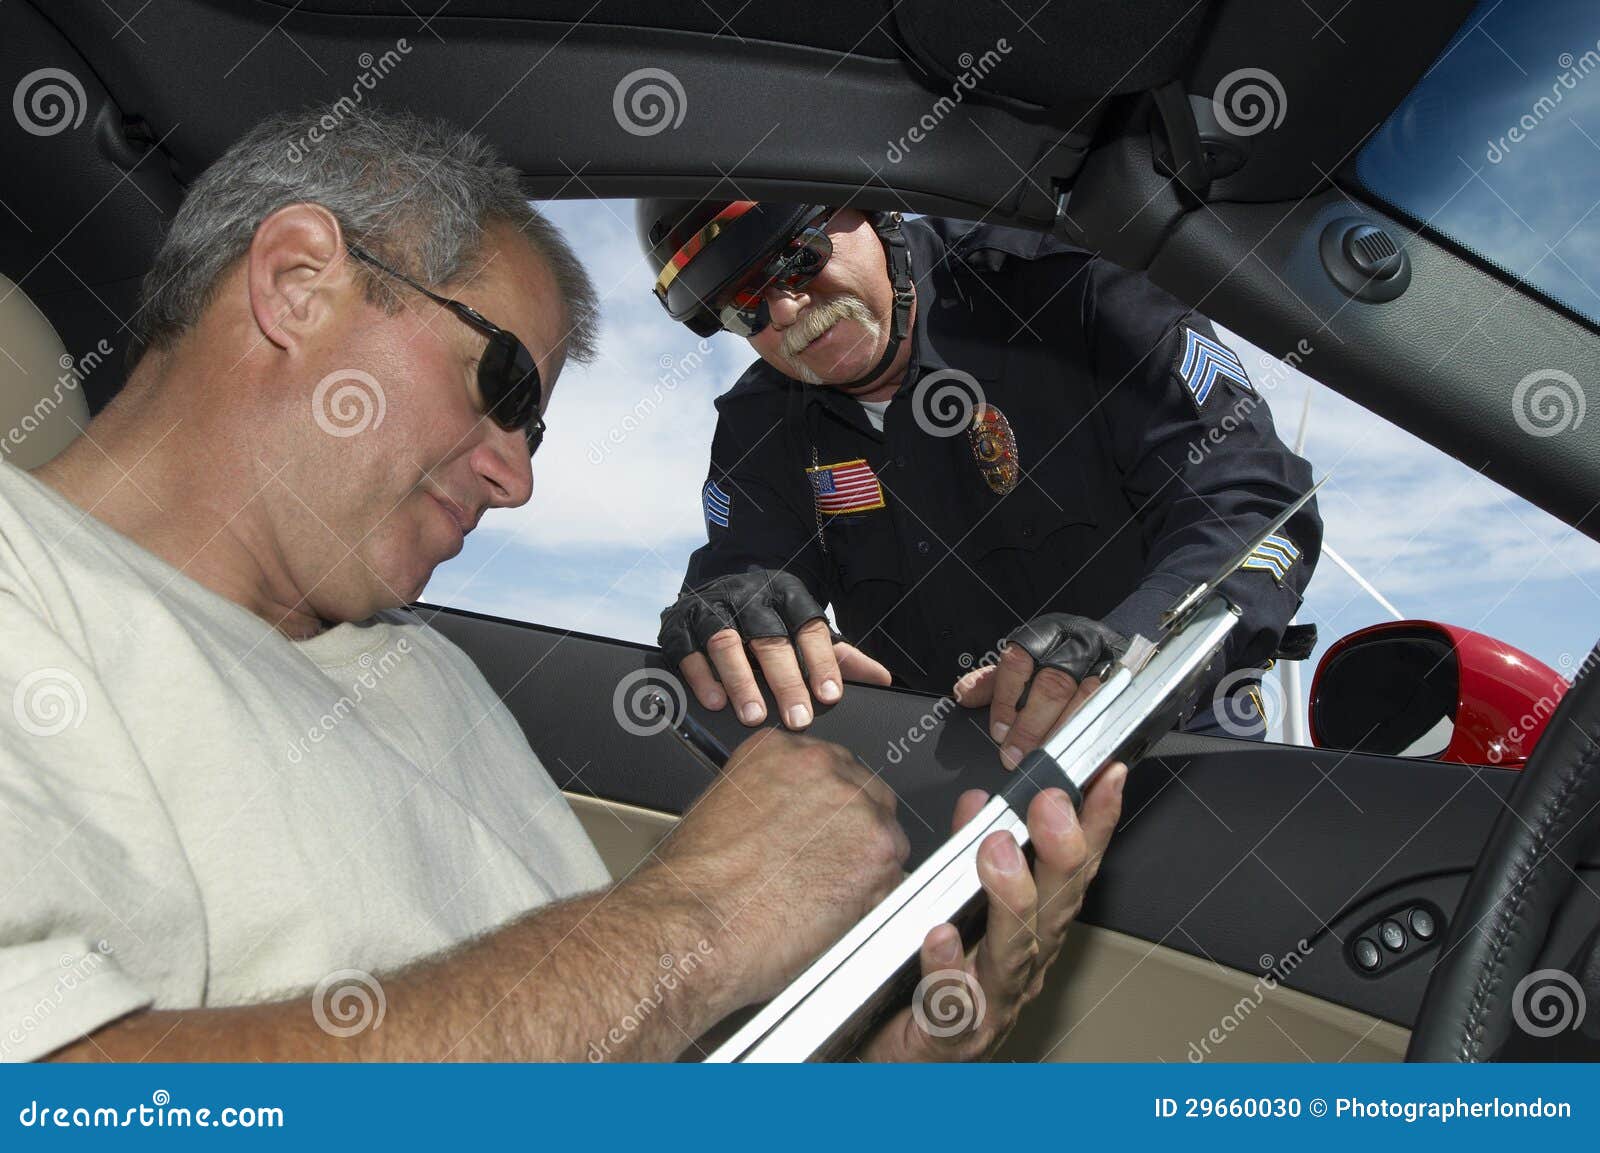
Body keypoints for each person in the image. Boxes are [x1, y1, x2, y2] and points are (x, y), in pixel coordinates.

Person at [0, 106, 1121, 1063]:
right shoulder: (28, 583)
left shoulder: (422, 670)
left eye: (532, 424)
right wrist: (694, 920)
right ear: (296, 284)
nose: (517, 476)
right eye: (499, 384)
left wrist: (900, 1059)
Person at [644, 201, 1321, 761]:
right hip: (942, 775)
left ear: (871, 207)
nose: (787, 313)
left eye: (797, 260)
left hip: (1167, 739)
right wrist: (725, 615)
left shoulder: (1073, 293)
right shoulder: (758, 423)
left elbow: (1254, 505)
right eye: (745, 308)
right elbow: (740, 577)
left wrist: (1137, 655)